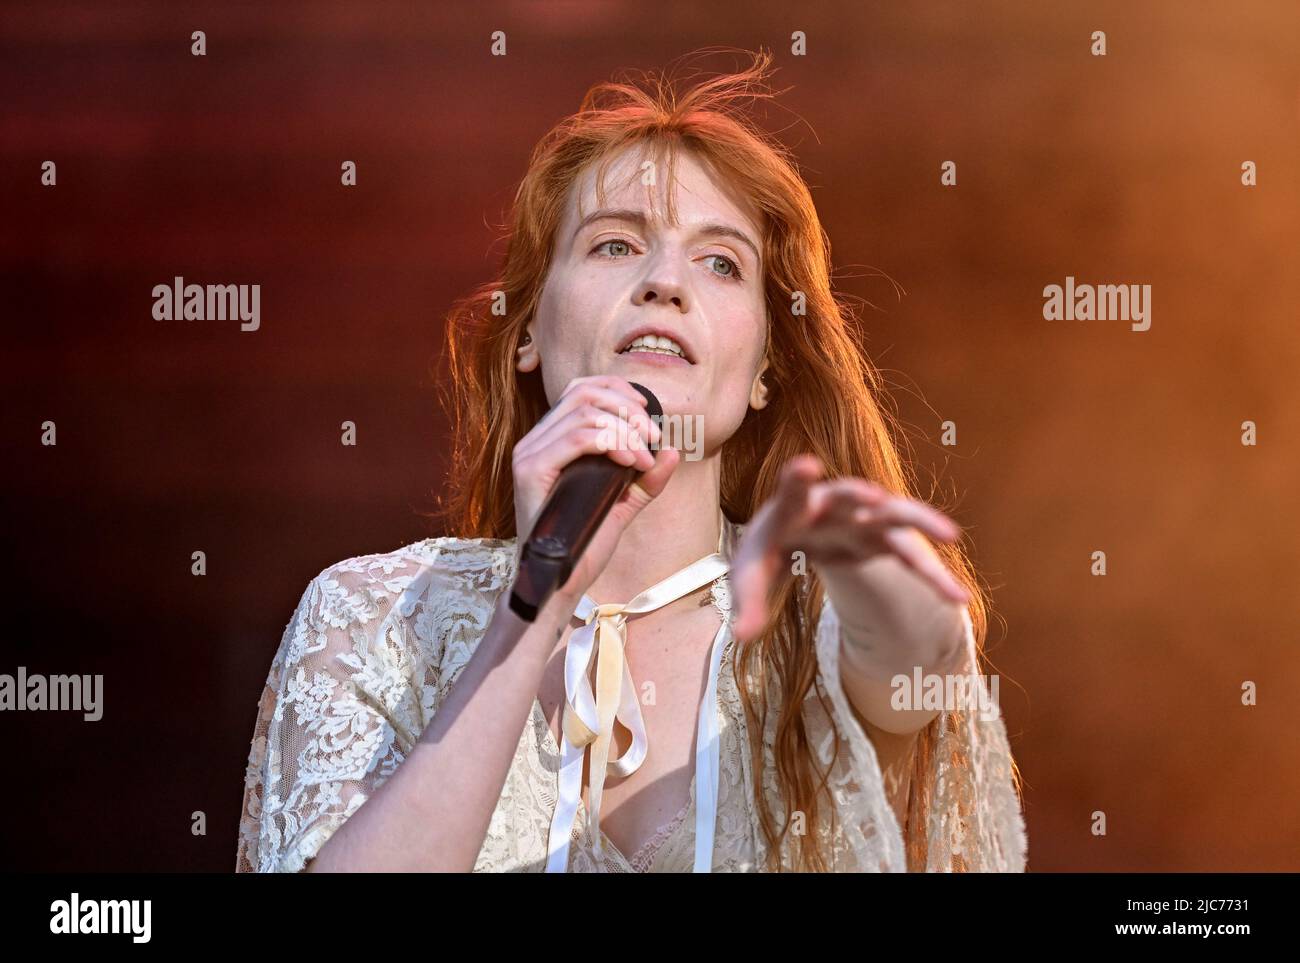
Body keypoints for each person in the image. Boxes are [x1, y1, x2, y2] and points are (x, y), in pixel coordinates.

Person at [236, 49, 1027, 873]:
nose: (666, 281)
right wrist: (539, 597)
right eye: (615, 245)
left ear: (763, 372)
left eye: (721, 262)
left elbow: (919, 659)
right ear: (529, 335)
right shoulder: (374, 617)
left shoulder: (811, 616)